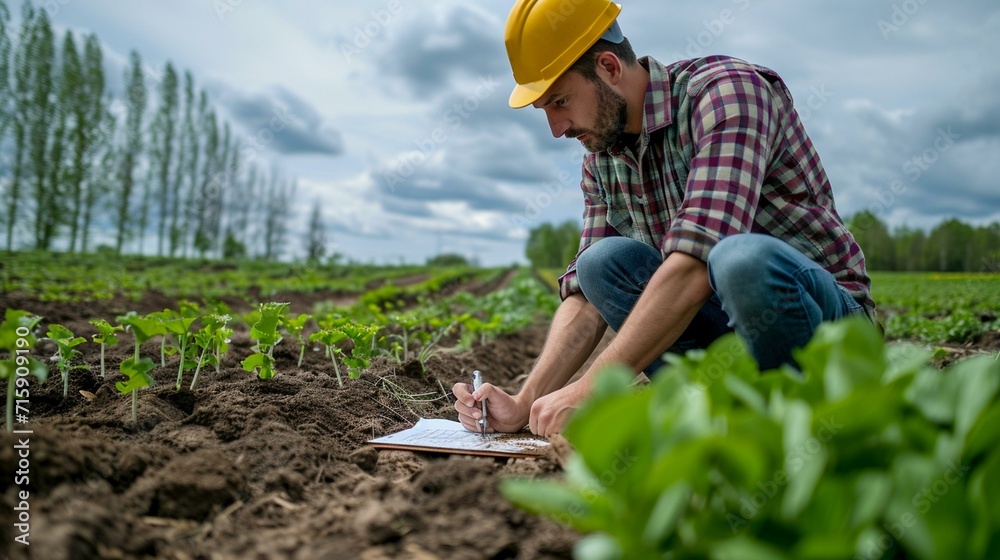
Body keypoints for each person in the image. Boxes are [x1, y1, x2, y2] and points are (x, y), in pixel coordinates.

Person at [454, 0, 876, 437]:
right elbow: (584, 297)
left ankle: (815, 419)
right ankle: (719, 418)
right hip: (730, 333)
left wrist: (589, 390)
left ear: (609, 67)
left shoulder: (727, 95)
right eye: (545, 109)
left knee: (739, 260)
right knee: (601, 262)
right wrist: (526, 402)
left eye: (560, 101)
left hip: (826, 328)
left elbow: (695, 265)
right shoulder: (603, 153)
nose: (557, 128)